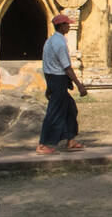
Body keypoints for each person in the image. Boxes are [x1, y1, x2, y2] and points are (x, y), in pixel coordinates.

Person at [38, 13, 88, 155]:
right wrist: (79, 85)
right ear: (61, 26)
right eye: (67, 24)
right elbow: (67, 67)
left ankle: (70, 140)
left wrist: (49, 84)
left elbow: (47, 64)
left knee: (71, 109)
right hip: (58, 80)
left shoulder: (50, 41)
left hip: (53, 79)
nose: (69, 26)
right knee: (54, 113)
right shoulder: (59, 44)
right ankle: (42, 144)